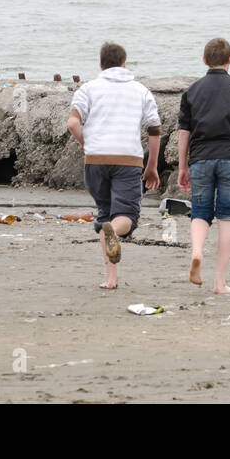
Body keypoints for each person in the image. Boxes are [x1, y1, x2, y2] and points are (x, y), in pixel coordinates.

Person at [66, 41, 161, 289]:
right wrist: (152, 166)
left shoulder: (88, 89)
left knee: (105, 215)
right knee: (126, 217)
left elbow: (73, 123)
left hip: (95, 161)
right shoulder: (141, 90)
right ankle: (113, 231)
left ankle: (111, 279)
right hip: (127, 160)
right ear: (124, 63)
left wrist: (86, 144)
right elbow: (154, 129)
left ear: (101, 65)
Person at [176, 37, 230, 295]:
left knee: (200, 213)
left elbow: (184, 133)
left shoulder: (192, 91)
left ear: (204, 60)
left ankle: (196, 252)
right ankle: (220, 283)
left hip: (201, 158)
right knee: (226, 217)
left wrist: (182, 166)